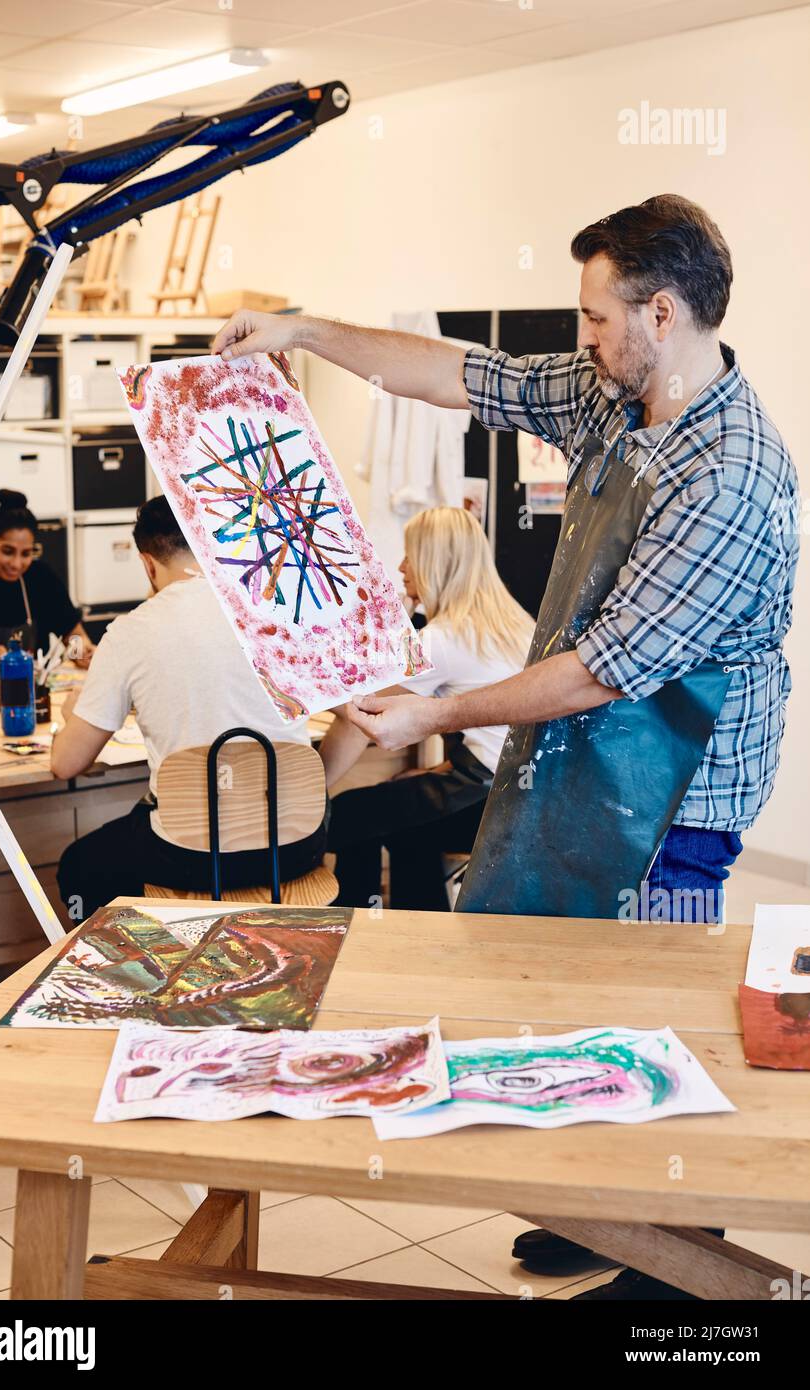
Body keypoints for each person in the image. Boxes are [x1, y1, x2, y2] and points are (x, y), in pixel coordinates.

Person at [212, 194, 798, 1300]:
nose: (577, 340)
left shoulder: (728, 473)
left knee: (658, 1006)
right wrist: (300, 333)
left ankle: (681, 1251)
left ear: (660, 313)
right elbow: (459, 375)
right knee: (576, 991)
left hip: (679, 790)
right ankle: (606, 1210)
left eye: (591, 318)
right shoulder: (617, 395)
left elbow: (602, 668)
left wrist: (430, 716)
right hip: (586, 753)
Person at [52, 496, 325, 921]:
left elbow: (66, 764)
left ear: (147, 564)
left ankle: (144, 971)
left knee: (80, 865)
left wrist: (73, 713)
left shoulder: (130, 632)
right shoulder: (279, 609)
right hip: (296, 846)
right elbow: (359, 717)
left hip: (193, 857)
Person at [321, 506, 534, 910]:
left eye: (409, 555)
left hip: (487, 799)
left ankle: (357, 930)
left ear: (435, 563)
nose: (400, 567)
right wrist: (439, 771)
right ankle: (420, 930)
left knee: (350, 815)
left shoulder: (444, 638)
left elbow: (365, 711)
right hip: (521, 793)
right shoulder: (514, 623)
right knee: (405, 820)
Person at [0, 489, 93, 669]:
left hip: (32, 688)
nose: (16, 564)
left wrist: (79, 652)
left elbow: (74, 634)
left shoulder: (42, 578)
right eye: (8, 551)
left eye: (26, 554)